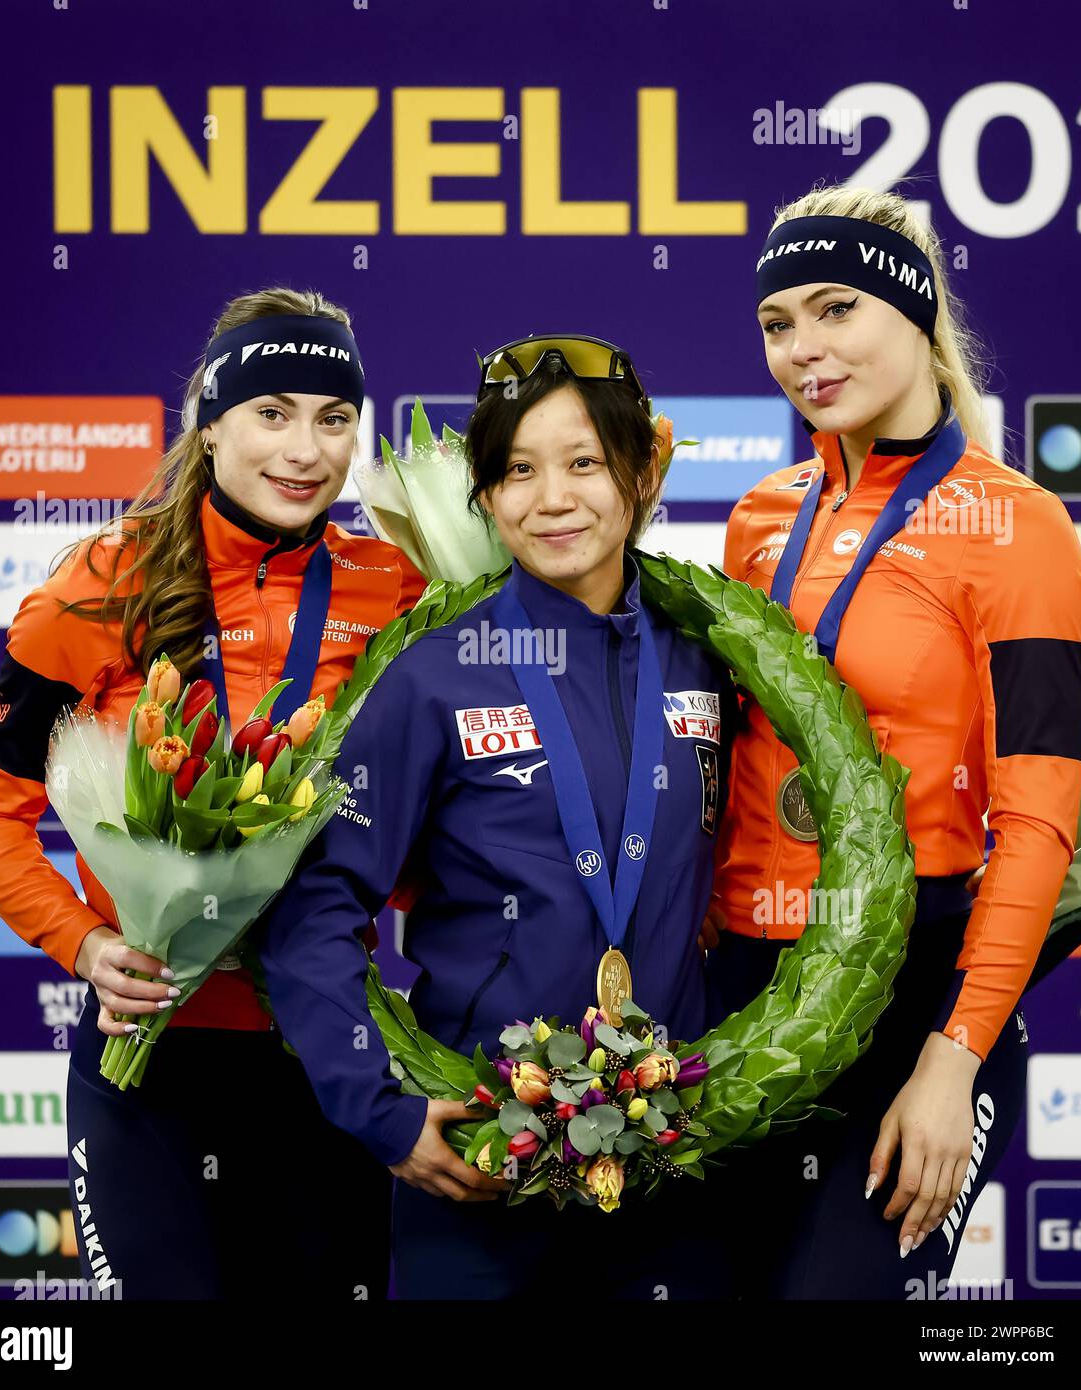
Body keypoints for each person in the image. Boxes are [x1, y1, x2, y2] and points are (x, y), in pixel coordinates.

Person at [0, 287, 426, 1299]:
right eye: (273, 412)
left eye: (334, 418)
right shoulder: (100, 580)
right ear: (210, 425)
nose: (306, 448)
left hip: (327, 1055)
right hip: (150, 1065)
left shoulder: (395, 587)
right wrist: (84, 943)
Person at [256, 334, 738, 1299]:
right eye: (515, 470)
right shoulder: (434, 674)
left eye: (583, 463)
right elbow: (314, 904)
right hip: (480, 1164)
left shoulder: (711, 658)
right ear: (484, 495)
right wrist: (381, 1115)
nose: (550, 498)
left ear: (642, 472)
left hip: (675, 1163)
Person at [705, 186, 1081, 1299]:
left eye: (835, 310)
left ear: (915, 317)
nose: (803, 349)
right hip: (746, 988)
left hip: (913, 995)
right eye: (778, 322)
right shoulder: (757, 518)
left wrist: (953, 1057)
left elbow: (1034, 827)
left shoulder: (1016, 527)